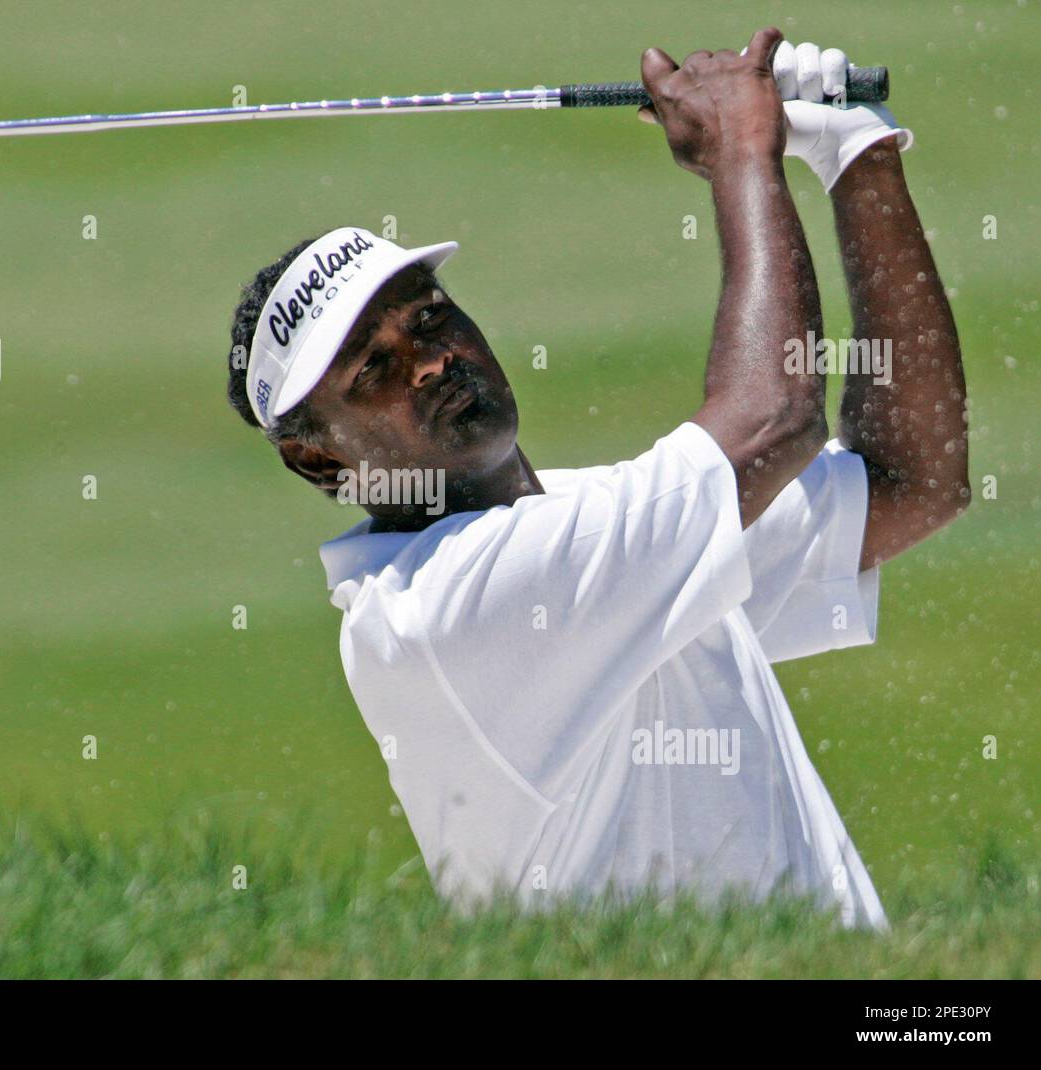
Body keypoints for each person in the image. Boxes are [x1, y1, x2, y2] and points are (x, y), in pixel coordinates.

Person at [224, 28, 969, 927]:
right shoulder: (442, 609)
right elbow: (771, 416)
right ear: (319, 458)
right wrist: (744, 150)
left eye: (429, 320)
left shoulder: (586, 525)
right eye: (372, 373)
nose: (428, 363)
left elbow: (913, 483)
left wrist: (858, 157)